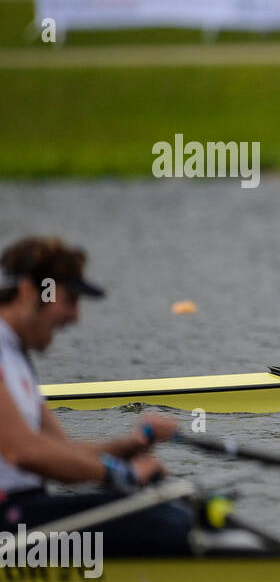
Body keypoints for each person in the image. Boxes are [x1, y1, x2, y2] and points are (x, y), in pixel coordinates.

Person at [0, 237, 190, 554]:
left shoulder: (16, 356)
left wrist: (128, 447)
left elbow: (63, 453)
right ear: (30, 291)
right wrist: (125, 474)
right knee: (156, 518)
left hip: (22, 512)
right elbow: (25, 453)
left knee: (165, 508)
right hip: (9, 520)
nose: (76, 317)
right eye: (70, 300)